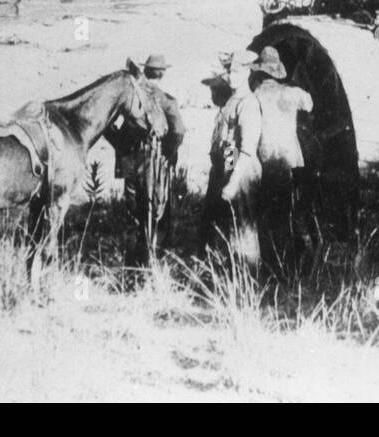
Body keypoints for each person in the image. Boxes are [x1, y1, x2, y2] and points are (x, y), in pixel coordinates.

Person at [247, 46, 313, 274]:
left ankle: (268, 266)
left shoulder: (255, 96)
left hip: (263, 164)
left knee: (264, 217)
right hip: (286, 162)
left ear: (259, 73)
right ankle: (288, 266)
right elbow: (310, 103)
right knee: (285, 214)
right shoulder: (290, 93)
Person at [120, 52, 185, 264]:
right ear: (162, 74)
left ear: (146, 72)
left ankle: (131, 264)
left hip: (132, 164)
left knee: (133, 215)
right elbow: (178, 133)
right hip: (156, 165)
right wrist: (167, 155)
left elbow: (121, 135)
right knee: (156, 211)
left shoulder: (134, 102)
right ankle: (152, 262)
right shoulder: (167, 102)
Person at [199, 55, 262, 268]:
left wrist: (233, 182)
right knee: (224, 224)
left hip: (242, 172)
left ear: (247, 73)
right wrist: (223, 173)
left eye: (235, 72)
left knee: (243, 228)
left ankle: (248, 280)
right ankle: (226, 276)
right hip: (229, 166)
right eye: (228, 72)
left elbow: (246, 149)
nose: (230, 76)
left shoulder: (248, 103)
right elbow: (228, 147)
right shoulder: (232, 101)